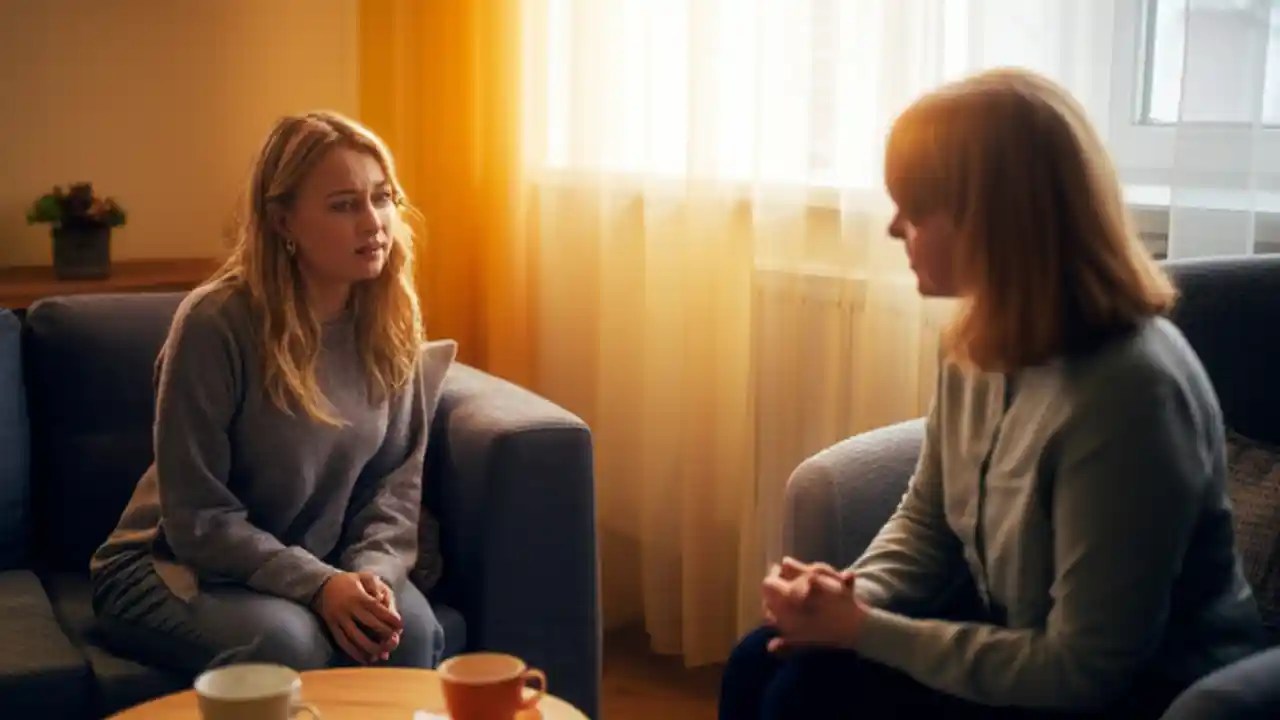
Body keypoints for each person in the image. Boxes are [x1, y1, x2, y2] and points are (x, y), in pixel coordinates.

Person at [720, 69, 1266, 719]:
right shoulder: (977, 341)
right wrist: (843, 599)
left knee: (809, 697)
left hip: (1140, 690)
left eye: (917, 210)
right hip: (1021, 637)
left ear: (995, 223)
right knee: (764, 657)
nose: (896, 230)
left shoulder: (1129, 395)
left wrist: (865, 630)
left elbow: (1085, 669)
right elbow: (928, 524)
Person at [90, 110, 456, 673]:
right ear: (282, 219)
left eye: (382, 198)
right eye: (343, 204)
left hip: (323, 564)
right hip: (174, 563)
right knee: (291, 646)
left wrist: (373, 580)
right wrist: (318, 586)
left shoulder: (390, 319)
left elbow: (393, 490)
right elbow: (197, 519)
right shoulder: (215, 323)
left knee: (409, 632)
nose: (372, 222)